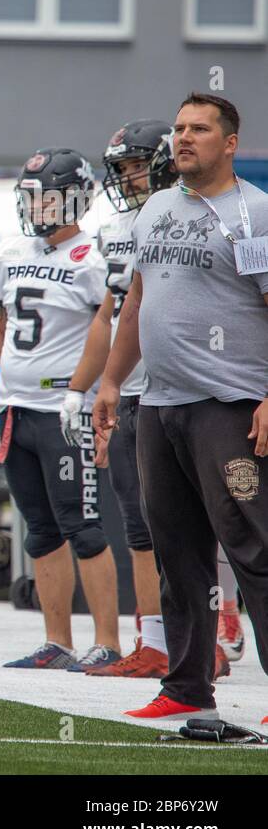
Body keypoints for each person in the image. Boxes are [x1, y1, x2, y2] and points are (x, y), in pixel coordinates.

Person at [92, 93, 268, 721]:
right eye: (179, 128)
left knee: (254, 549)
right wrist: (112, 382)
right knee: (177, 553)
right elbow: (137, 300)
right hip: (159, 404)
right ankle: (188, 686)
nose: (184, 138)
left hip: (228, 405)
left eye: (199, 129)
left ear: (229, 143)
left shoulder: (254, 214)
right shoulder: (157, 208)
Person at [0, 147, 121, 670]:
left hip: (62, 412)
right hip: (16, 410)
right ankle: (57, 640)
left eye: (48, 198)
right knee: (41, 529)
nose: (39, 208)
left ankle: (108, 642)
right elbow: (3, 327)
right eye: (33, 198)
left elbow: (108, 330)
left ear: (75, 200)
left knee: (85, 528)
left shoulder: (93, 261)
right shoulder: (11, 254)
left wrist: (80, 390)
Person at [60, 120, 177, 677]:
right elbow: (110, 316)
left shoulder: (197, 214)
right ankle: (155, 641)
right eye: (122, 167)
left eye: (138, 164)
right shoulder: (116, 229)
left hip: (191, 391)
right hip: (134, 394)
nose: (129, 176)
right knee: (138, 523)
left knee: (216, 523)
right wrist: (86, 388)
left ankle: (208, 630)